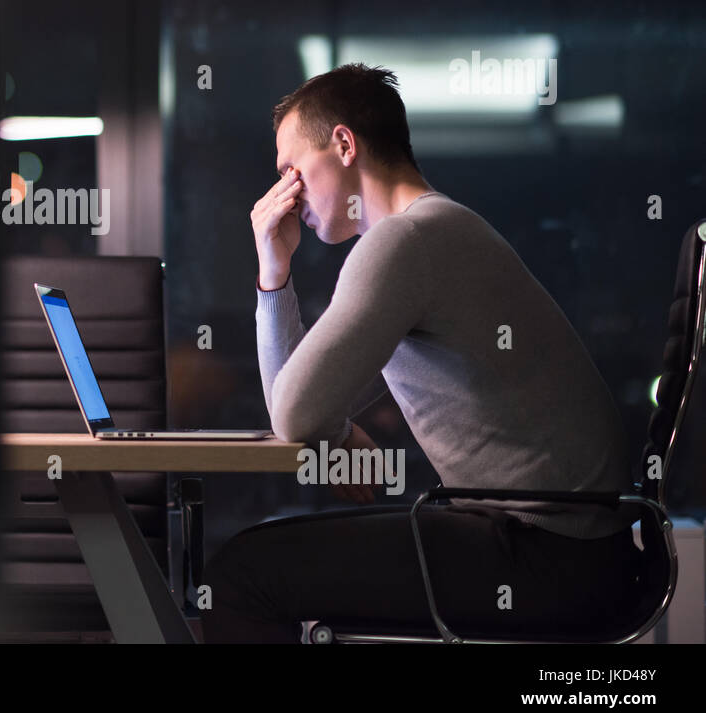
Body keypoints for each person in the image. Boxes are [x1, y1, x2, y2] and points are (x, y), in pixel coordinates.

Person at [201, 63, 642, 643]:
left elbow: (294, 415)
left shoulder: (405, 240)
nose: (287, 193)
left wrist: (327, 429)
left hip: (544, 555)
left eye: (292, 169)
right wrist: (275, 270)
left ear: (343, 144)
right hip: (576, 551)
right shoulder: (431, 233)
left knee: (244, 572)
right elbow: (298, 404)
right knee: (265, 559)